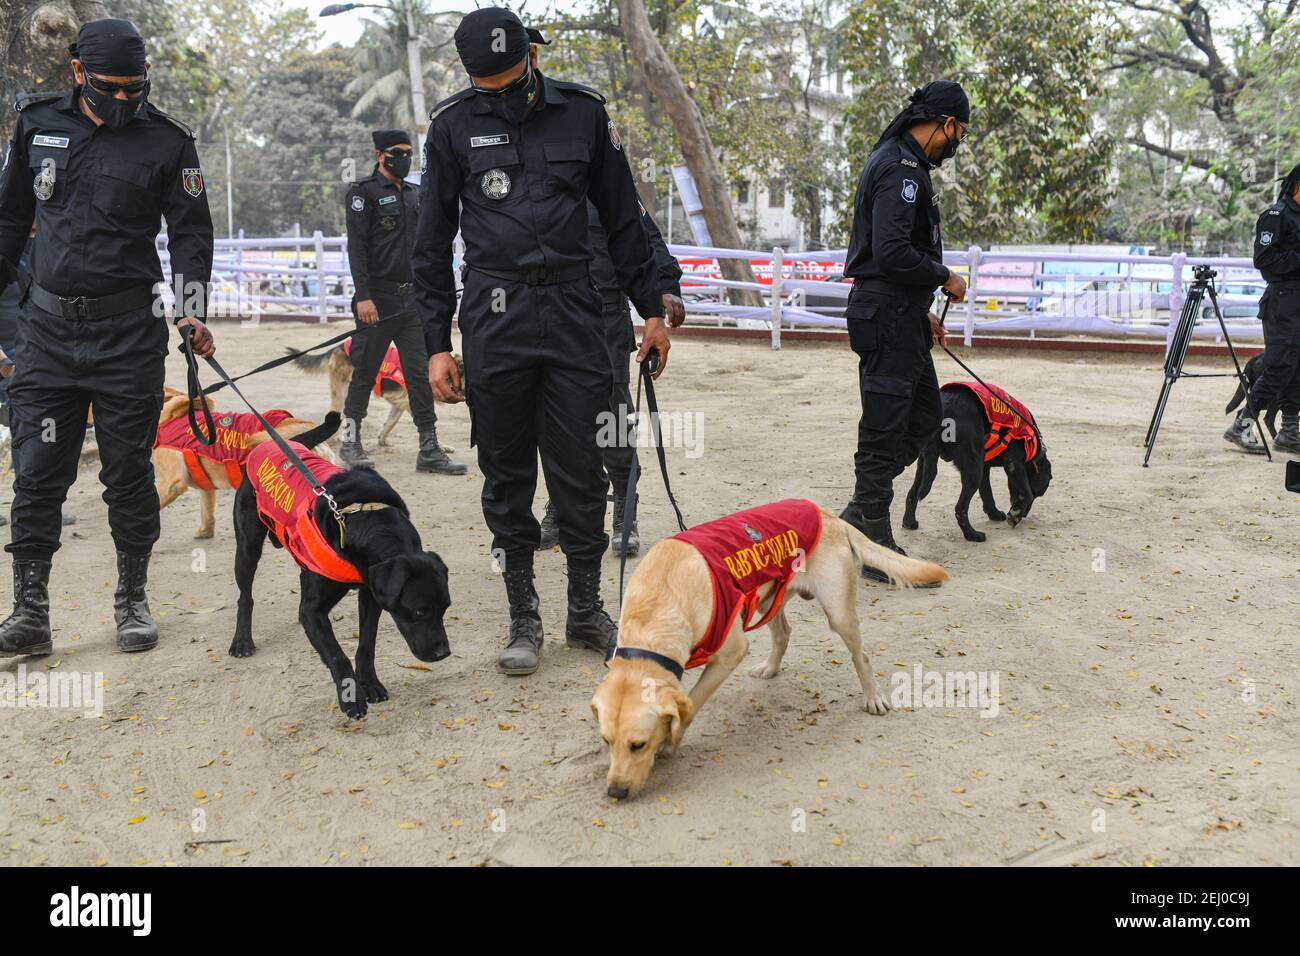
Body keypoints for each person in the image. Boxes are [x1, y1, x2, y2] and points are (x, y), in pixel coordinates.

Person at [413, 8, 668, 675]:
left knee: (580, 468)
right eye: (485, 86)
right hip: (495, 316)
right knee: (505, 470)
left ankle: (584, 610)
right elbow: (432, 243)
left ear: (532, 54)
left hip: (577, 310)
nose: (499, 96)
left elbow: (623, 222)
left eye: (510, 80)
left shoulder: (584, 116)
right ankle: (523, 615)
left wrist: (652, 312)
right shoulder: (450, 128)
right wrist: (436, 344)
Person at [0, 18, 215, 656]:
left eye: (137, 89)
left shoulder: (169, 141)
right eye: (112, 89)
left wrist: (193, 310)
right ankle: (30, 610)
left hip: (129, 338)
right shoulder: (37, 124)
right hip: (45, 336)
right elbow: (11, 216)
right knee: (38, 473)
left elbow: (191, 232)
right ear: (77, 74)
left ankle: (132, 599)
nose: (126, 100)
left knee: (127, 474)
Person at [525, 30, 685, 557]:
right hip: (545, 321)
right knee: (552, 426)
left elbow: (641, 235)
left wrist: (667, 289)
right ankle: (558, 509)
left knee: (611, 423)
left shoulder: (604, 184)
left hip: (602, 321)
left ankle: (625, 514)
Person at [839, 80, 969, 582]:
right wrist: (943, 277)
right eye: (958, 131)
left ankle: (858, 513)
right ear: (943, 123)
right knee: (884, 427)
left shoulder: (907, 165)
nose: (956, 142)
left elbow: (894, 258)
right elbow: (890, 252)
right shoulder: (900, 169)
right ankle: (873, 535)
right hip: (886, 316)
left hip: (902, 314)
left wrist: (923, 310)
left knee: (925, 417)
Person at [341, 129, 465, 474]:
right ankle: (350, 442)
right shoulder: (361, 194)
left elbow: (428, 246)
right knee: (364, 372)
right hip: (376, 302)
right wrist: (363, 296)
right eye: (398, 152)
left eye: (410, 152)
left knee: (420, 374)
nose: (405, 158)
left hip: (413, 301)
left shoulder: (416, 194)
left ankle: (429, 448)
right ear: (380, 155)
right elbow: (358, 248)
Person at [1235, 162, 1300, 456]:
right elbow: (1263, 260)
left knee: (1297, 368)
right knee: (1279, 366)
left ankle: (1289, 431)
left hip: (1298, 302)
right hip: (1282, 302)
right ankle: (1242, 423)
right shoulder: (1277, 216)